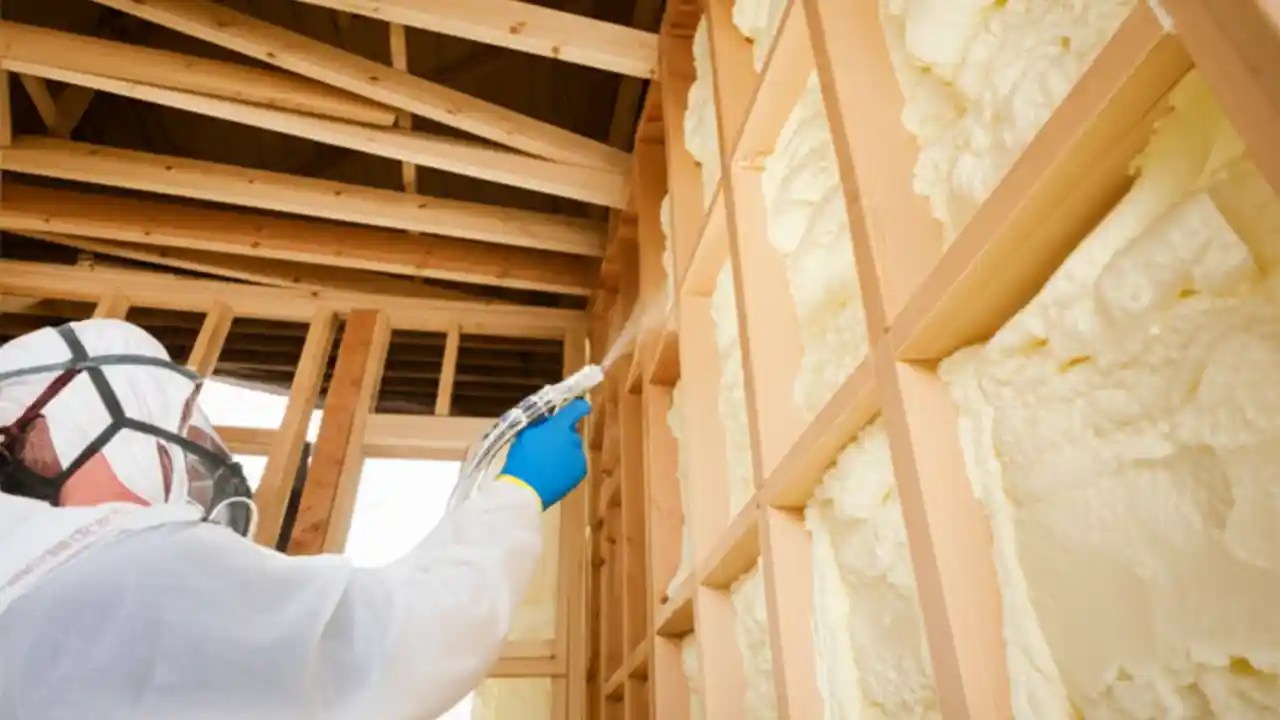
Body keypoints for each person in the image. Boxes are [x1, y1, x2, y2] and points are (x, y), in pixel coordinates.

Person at [0, 318, 592, 719]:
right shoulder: (133, 571)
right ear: (92, 414)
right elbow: (398, 642)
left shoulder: (31, 576)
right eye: (173, 433)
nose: (185, 463)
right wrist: (516, 494)